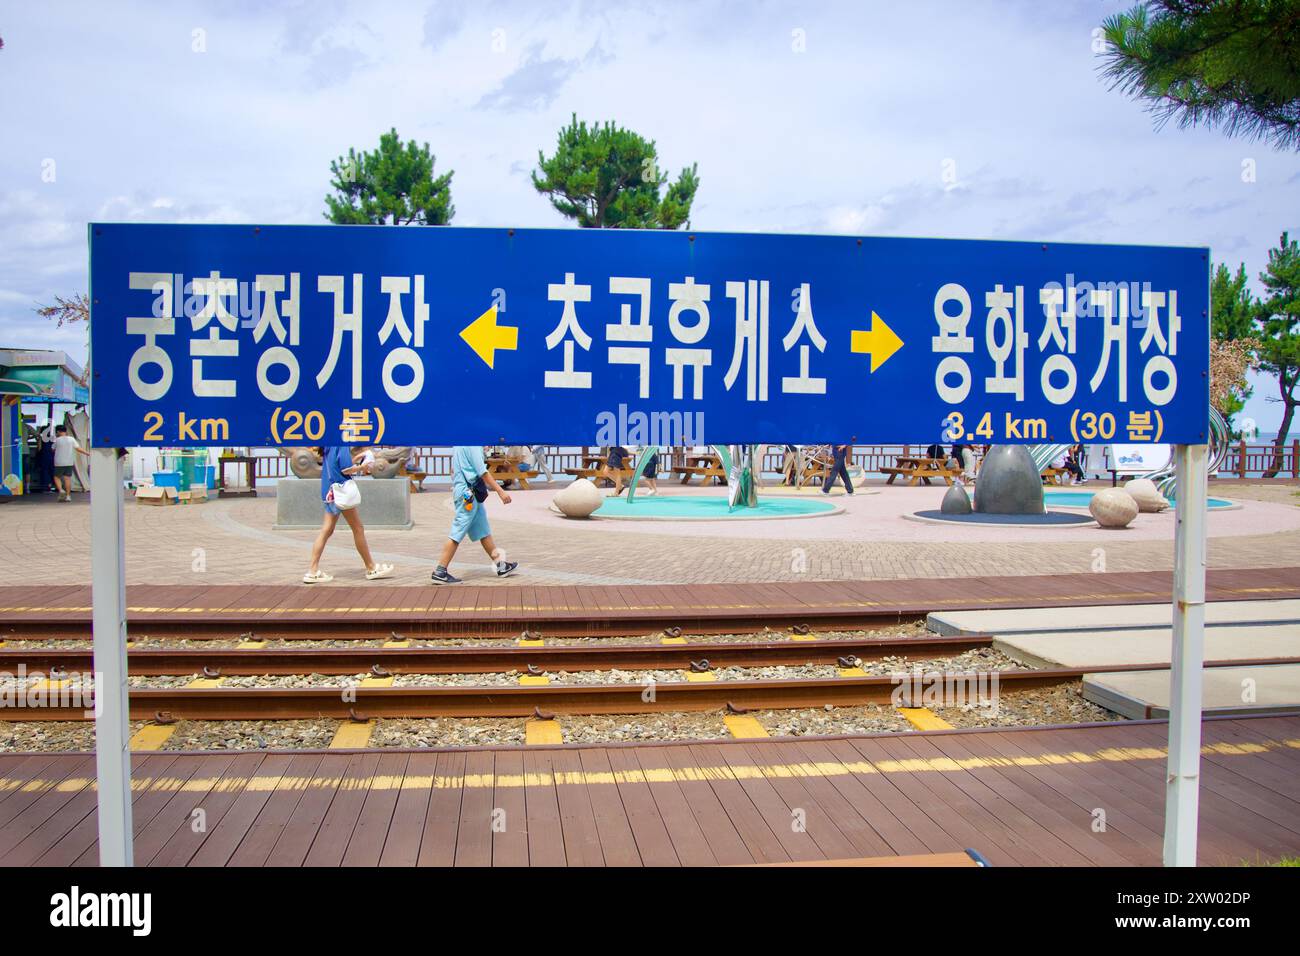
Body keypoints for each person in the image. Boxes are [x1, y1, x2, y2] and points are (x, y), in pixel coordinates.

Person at [303, 446, 394, 584]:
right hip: (341, 491)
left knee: (326, 530)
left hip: (329, 491)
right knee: (358, 528)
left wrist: (357, 458)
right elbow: (346, 469)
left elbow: (338, 465)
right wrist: (362, 467)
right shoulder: (341, 443)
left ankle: (312, 571)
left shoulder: (327, 444)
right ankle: (371, 567)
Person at [431, 445, 519, 585]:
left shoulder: (460, 444)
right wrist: (500, 491)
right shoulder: (473, 445)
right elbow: (483, 472)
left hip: (467, 493)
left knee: (483, 530)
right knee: (457, 531)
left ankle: (501, 566)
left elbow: (455, 470)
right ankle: (440, 571)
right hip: (469, 495)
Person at [51, 425, 88, 501]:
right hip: (69, 462)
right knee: (67, 479)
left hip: (59, 462)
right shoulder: (71, 439)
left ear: (58, 431)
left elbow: (53, 449)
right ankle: (68, 496)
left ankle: (61, 490)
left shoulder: (57, 440)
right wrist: (87, 453)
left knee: (56, 477)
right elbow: (78, 449)